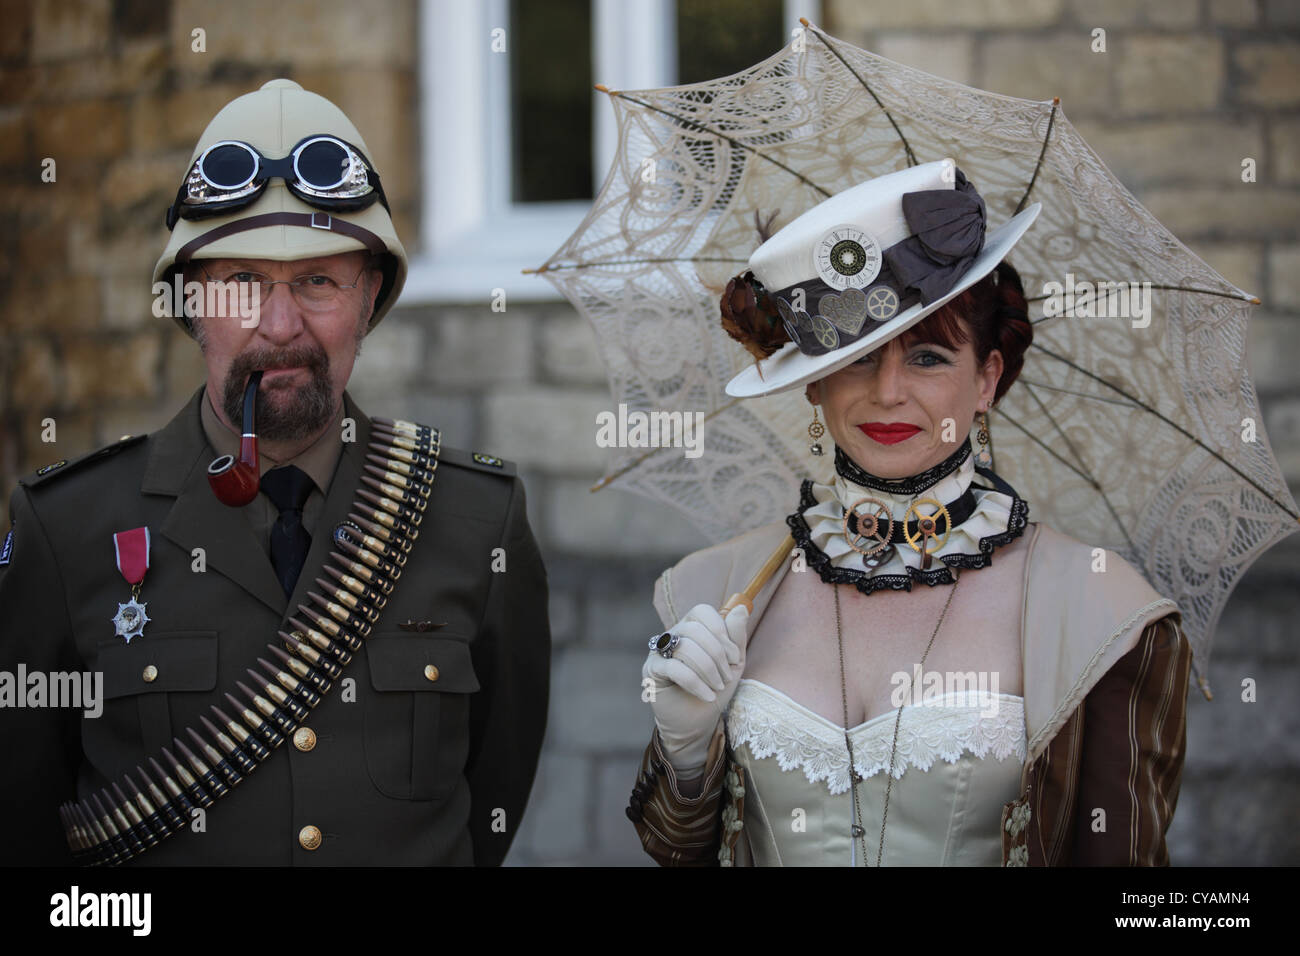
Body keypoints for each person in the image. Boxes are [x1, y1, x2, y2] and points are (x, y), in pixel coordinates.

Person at [0, 79, 550, 866]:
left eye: (320, 281)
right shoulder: (66, 529)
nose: (280, 324)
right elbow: (28, 834)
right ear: (191, 305)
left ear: (371, 300)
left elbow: (491, 799)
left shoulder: (476, 520)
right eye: (241, 284)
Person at [626, 160, 1193, 866]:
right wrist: (685, 757)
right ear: (813, 383)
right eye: (858, 357)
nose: (888, 393)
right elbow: (679, 853)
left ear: (987, 379)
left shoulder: (1098, 610)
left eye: (927, 357)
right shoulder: (723, 586)